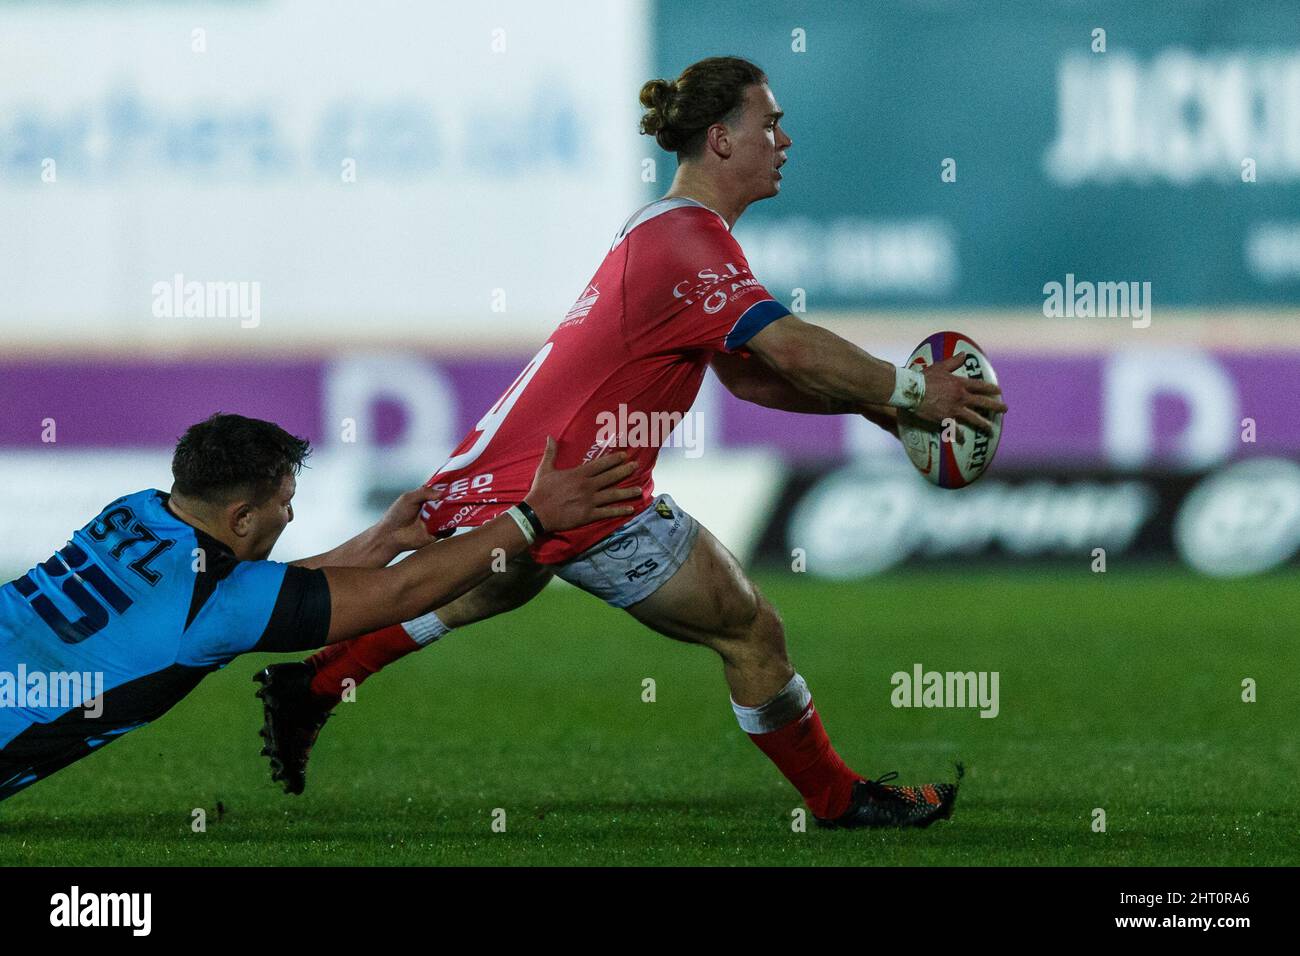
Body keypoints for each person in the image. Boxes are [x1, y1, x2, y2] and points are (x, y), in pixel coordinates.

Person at [258, 57, 1006, 828]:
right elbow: (789, 348)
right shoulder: (687, 240)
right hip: (587, 489)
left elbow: (749, 378)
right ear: (720, 139)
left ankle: (313, 680)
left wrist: (869, 408)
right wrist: (914, 392)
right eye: (770, 123)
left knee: (496, 580)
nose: (785, 139)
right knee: (750, 628)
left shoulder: (677, 235)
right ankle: (840, 799)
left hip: (543, 469)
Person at [0, 413, 637, 802]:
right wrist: (532, 518)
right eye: (284, 501)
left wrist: (383, 538)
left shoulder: (137, 511)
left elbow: (274, 594)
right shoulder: (218, 607)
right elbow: (402, 595)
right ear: (241, 516)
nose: (292, 513)